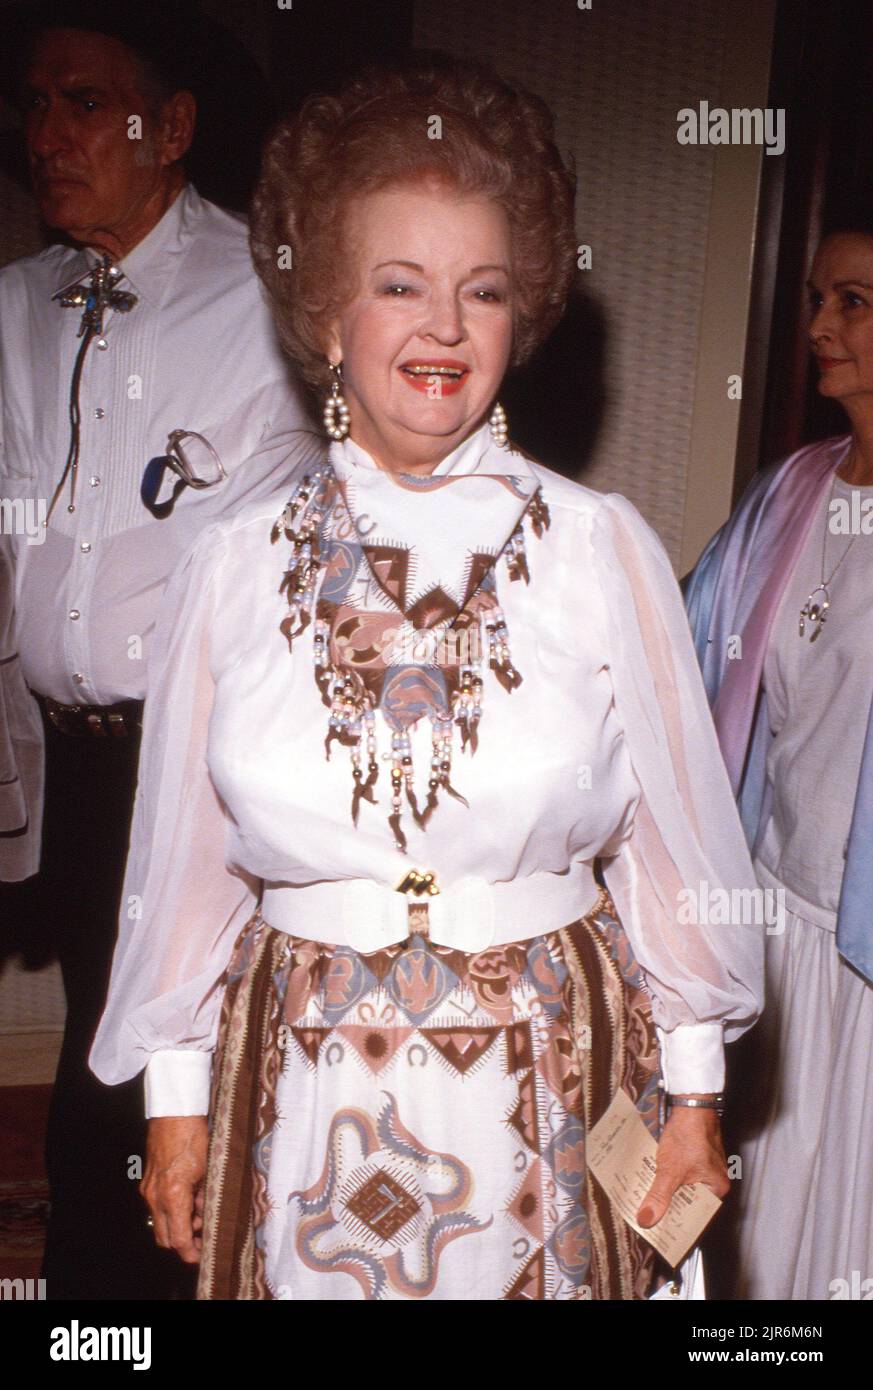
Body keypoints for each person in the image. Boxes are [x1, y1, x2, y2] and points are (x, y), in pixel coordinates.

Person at [91, 55, 763, 1302]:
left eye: (484, 290)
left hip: (555, 1078)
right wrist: (173, 1101)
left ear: (527, 310)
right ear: (327, 310)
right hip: (300, 1083)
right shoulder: (231, 567)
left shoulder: (603, 546)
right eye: (399, 285)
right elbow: (182, 867)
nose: (445, 328)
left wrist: (697, 1095)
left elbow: (678, 859)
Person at [0, 0, 322, 1300]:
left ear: (171, 125)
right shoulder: (22, 303)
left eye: (84, 102)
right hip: (69, 763)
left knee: (136, 1082)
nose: (46, 134)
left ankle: (121, 1312)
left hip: (188, 765)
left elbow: (292, 540)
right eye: (32, 105)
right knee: (108, 1049)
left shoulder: (264, 294)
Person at [684, 227, 873, 1299]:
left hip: (867, 960)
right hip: (767, 920)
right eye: (816, 298)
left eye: (852, 302)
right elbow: (678, 676)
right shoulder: (784, 496)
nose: (816, 329)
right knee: (758, 1228)